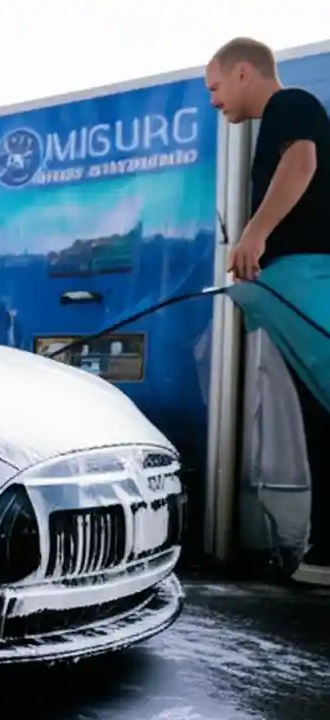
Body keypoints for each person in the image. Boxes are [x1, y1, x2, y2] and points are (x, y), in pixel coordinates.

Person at [206, 37, 330, 581]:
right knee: (318, 420)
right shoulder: (271, 122)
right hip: (290, 285)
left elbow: (303, 161)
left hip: (310, 280)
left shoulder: (291, 103)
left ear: (242, 73)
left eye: (215, 87)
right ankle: (325, 548)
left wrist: (255, 232)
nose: (214, 100)